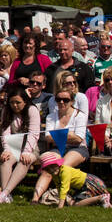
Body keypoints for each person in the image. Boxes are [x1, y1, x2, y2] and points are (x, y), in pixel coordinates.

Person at [30, 74, 88, 202]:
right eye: (58, 99)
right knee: (48, 167)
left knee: (63, 166)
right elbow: (48, 138)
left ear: (72, 101)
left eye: (65, 100)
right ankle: (35, 198)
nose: (61, 102)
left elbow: (79, 139)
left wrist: (58, 135)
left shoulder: (80, 116)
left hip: (78, 149)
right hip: (58, 148)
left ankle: (63, 197)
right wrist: (68, 134)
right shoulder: (52, 116)